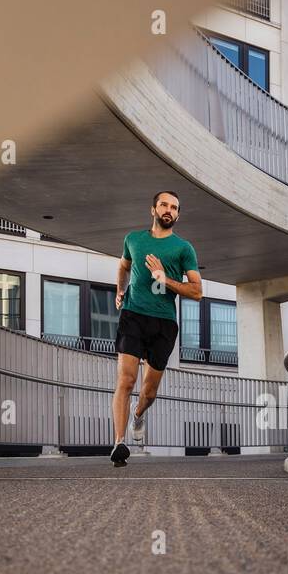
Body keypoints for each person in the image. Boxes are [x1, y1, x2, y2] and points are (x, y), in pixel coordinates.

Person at [110, 190, 203, 467]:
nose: (169, 210)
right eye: (164, 204)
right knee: (126, 381)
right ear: (153, 209)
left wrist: (166, 278)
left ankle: (139, 414)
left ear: (177, 214)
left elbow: (197, 292)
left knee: (149, 392)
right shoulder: (133, 239)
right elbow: (124, 266)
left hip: (164, 322)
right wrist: (119, 289)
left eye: (174, 207)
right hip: (133, 314)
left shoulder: (183, 248)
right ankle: (118, 443)